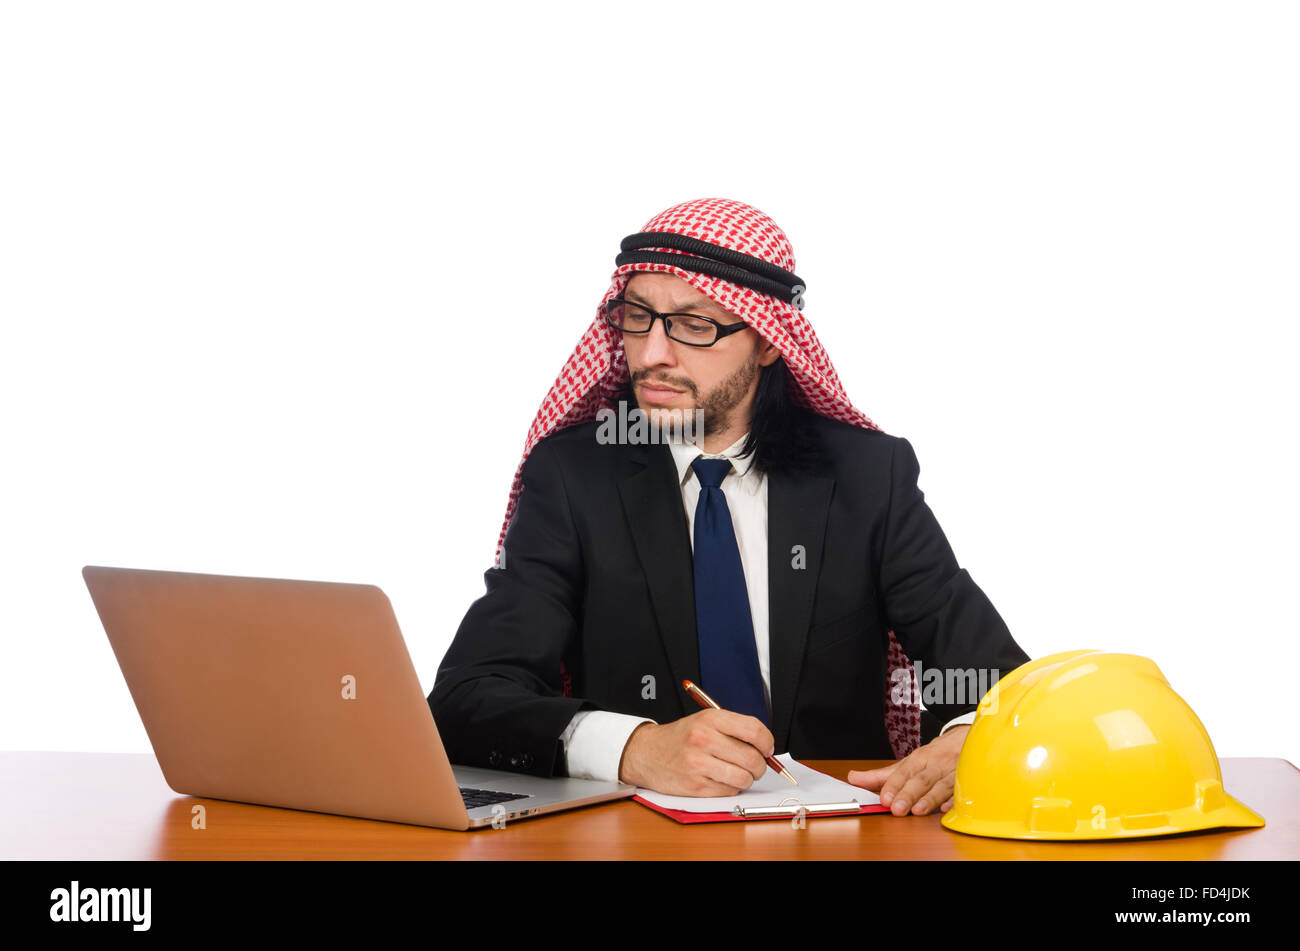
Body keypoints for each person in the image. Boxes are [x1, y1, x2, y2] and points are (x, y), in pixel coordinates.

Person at [429, 198, 1030, 816]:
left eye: (694, 325)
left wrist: (966, 738)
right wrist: (636, 746)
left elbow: (997, 680)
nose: (653, 353)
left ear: (769, 342)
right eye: (638, 317)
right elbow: (466, 697)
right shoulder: (574, 476)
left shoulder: (867, 477)